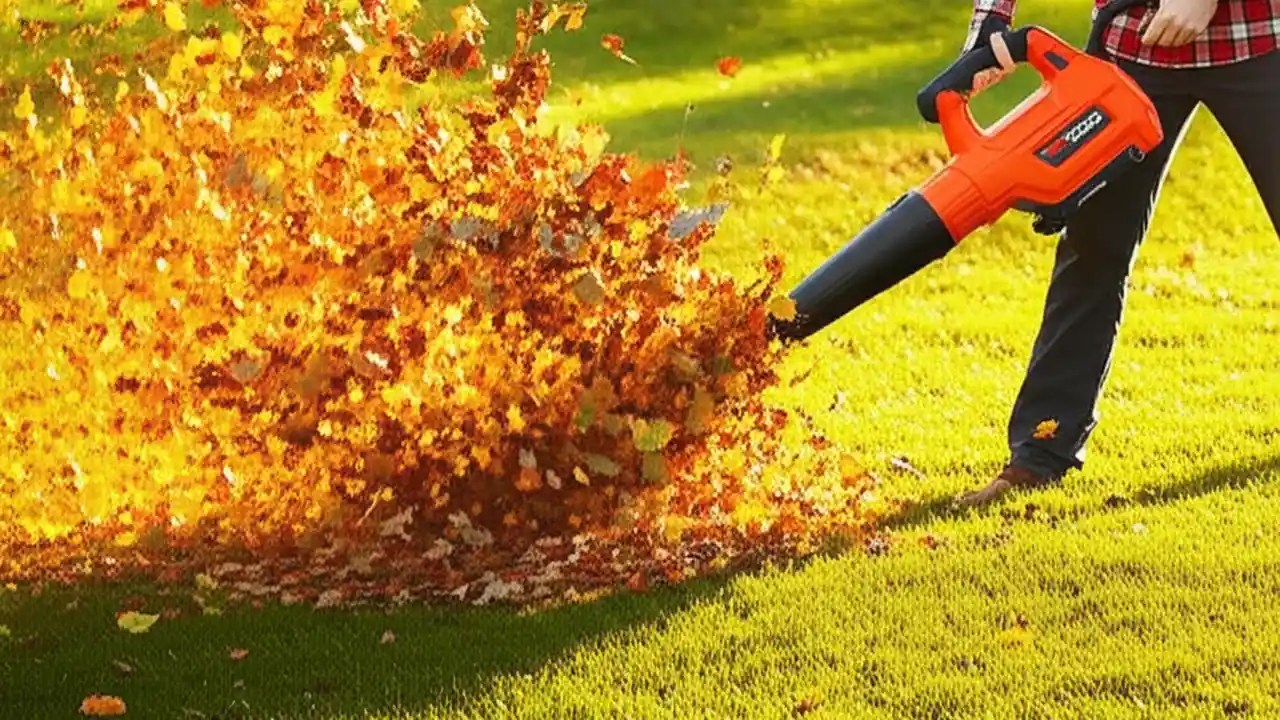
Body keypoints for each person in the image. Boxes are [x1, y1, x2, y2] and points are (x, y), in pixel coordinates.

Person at [955, 0, 1280, 507]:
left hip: (1261, 37)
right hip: (1132, 45)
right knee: (1093, 248)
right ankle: (1041, 453)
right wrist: (992, 22)